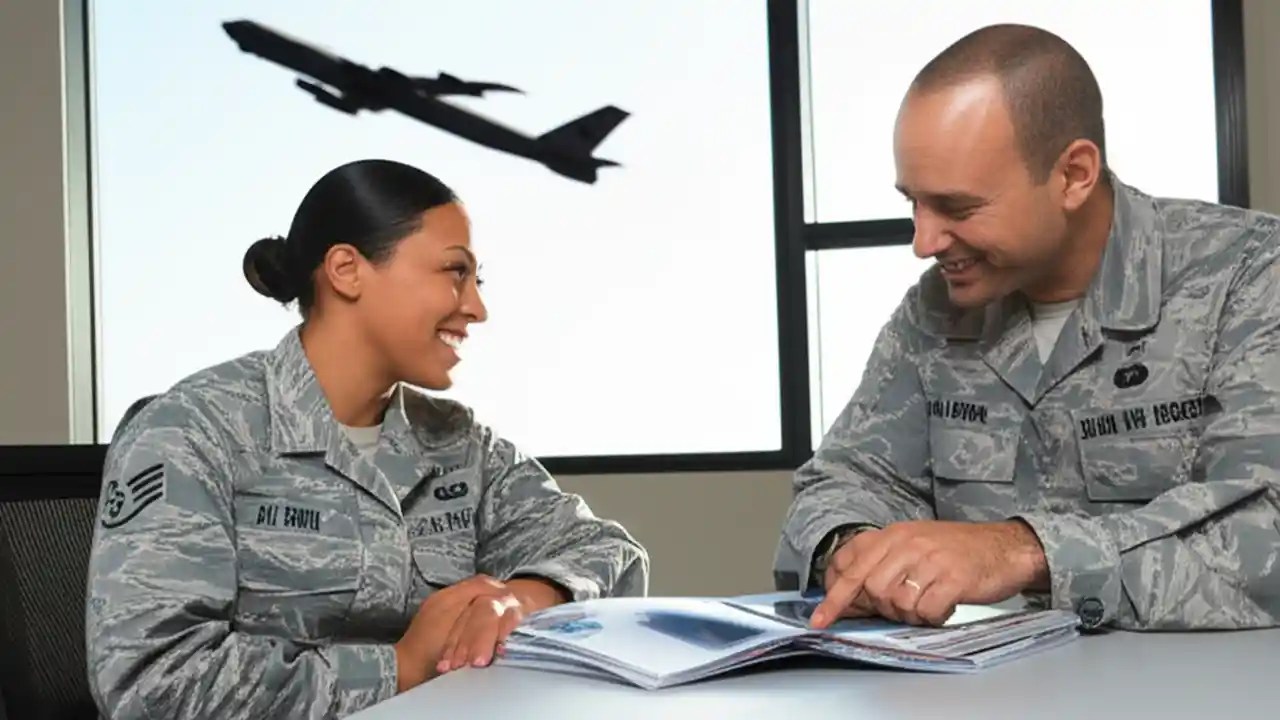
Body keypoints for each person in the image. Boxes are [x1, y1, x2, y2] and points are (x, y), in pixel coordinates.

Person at [84, 158, 650, 719]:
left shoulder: (458, 442)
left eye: (477, 280)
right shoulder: (192, 431)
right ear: (347, 271)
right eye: (455, 272)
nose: (476, 307)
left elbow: (611, 556)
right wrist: (401, 667)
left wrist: (520, 597)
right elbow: (152, 683)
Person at [773, 24, 1280, 633]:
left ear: (1073, 175)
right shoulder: (935, 312)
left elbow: (1265, 532)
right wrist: (855, 548)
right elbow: (845, 479)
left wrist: (1020, 553)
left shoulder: (1248, 276)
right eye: (913, 202)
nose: (923, 242)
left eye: (957, 208)